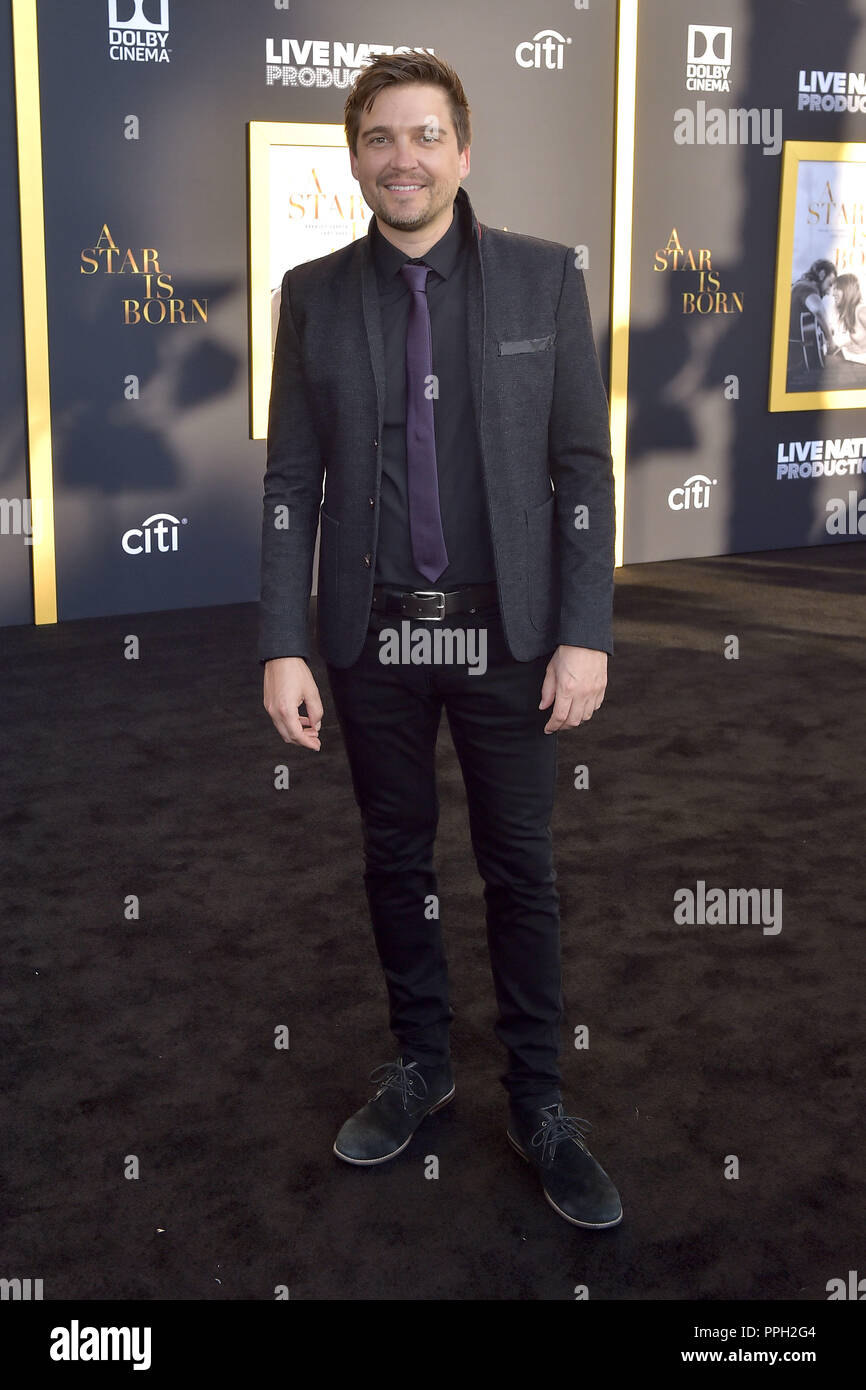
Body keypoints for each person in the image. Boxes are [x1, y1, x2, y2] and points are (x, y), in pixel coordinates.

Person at [259, 51, 622, 1229]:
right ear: (354, 155)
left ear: (462, 151)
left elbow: (579, 467)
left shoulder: (540, 278)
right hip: (370, 642)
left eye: (423, 136)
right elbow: (288, 483)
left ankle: (540, 1096)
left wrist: (581, 632)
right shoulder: (312, 294)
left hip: (506, 638)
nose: (400, 158)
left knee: (521, 866)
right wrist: (282, 640)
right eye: (377, 137)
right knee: (396, 860)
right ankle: (421, 1061)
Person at [788, 258, 837, 373]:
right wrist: (830, 339)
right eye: (830, 284)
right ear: (821, 274)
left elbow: (806, 324)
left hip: (797, 358)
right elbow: (817, 309)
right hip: (796, 361)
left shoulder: (799, 286)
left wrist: (824, 328)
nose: (829, 292)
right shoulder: (807, 287)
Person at [831, 272, 866, 362]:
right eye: (833, 289)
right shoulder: (851, 312)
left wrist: (863, 348)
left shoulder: (861, 312)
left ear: (847, 290)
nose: (833, 293)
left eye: (837, 289)